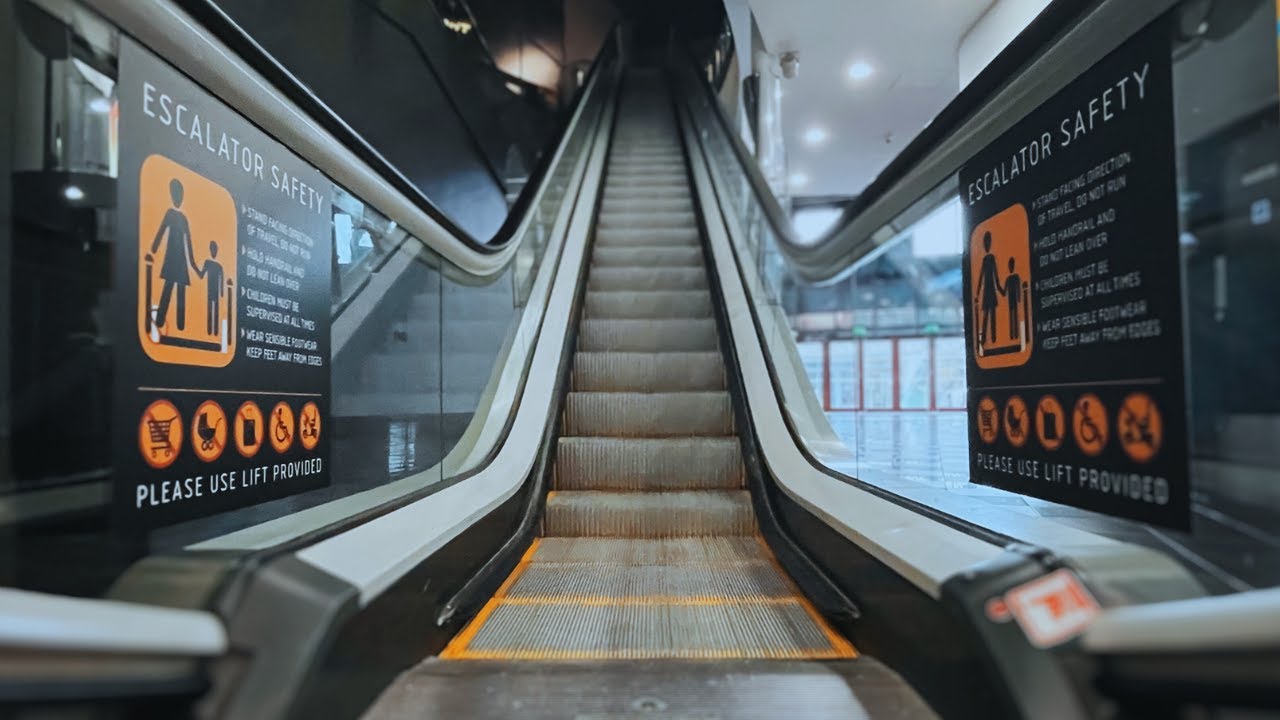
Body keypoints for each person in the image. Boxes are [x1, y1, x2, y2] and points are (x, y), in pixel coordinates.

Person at [148, 179, 195, 331]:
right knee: (168, 288)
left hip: (181, 259)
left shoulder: (183, 218)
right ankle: (160, 320)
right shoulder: (170, 214)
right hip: (172, 257)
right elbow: (162, 230)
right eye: (176, 195)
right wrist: (154, 248)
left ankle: (181, 325)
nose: (178, 199)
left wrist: (193, 263)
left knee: (181, 291)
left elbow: (188, 241)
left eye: (180, 196)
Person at [974, 231, 1001, 344]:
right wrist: (977, 292)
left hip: (990, 290)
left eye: (987, 242)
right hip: (987, 291)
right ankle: (985, 338)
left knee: (992, 314)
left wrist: (1000, 289)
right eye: (985, 243)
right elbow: (981, 277)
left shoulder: (991, 258)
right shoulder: (985, 259)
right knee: (986, 314)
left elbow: (995, 276)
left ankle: (993, 338)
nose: (986, 245)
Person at [196, 241, 225, 336]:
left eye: (215, 249)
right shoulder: (209, 263)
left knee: (214, 311)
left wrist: (222, 292)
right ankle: (211, 331)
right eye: (213, 249)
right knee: (211, 310)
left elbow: (222, 280)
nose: (214, 252)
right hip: (211, 291)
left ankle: (214, 331)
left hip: (214, 291)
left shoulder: (217, 266)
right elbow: (201, 275)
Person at [1000, 256, 1022, 340]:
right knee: (1011, 317)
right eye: (1010, 266)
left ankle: (1016, 334)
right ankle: (1012, 335)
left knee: (1015, 316)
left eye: (1012, 265)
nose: (1011, 267)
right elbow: (1004, 292)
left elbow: (1018, 288)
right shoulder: (1008, 279)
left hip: (1014, 300)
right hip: (1010, 301)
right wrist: (999, 289)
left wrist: (1019, 298)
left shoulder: (1016, 277)